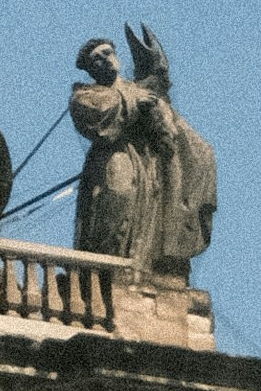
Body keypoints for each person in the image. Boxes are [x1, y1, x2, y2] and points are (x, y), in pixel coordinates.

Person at [69, 25, 215, 274]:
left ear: (116, 55)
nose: (104, 60)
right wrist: (134, 101)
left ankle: (144, 267)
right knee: (119, 194)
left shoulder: (141, 89)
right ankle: (109, 271)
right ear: (90, 69)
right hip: (116, 158)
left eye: (107, 53)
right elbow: (97, 116)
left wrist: (158, 116)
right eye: (97, 58)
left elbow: (168, 128)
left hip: (148, 166)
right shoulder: (85, 94)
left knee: (149, 217)